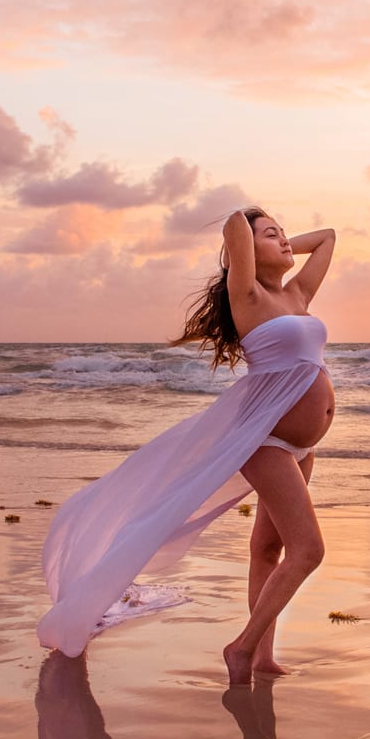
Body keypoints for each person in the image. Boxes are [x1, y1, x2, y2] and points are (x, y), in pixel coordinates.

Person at [35, 208, 336, 685]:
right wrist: (250, 237)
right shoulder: (248, 294)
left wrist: (278, 244)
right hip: (265, 440)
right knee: (309, 550)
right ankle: (241, 648)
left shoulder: (296, 294)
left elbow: (327, 238)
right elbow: (234, 223)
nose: (284, 240)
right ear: (242, 254)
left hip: (302, 446)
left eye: (283, 233)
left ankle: (263, 658)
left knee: (268, 548)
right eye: (271, 234)